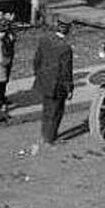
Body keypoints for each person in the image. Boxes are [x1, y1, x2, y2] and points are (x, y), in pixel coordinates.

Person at [32, 18, 75, 150]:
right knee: (56, 112)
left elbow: (36, 61)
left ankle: (44, 135)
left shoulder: (44, 40)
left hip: (44, 81)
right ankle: (50, 139)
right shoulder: (65, 48)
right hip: (58, 85)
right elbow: (66, 71)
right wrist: (69, 88)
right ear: (68, 29)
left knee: (46, 110)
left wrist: (39, 75)